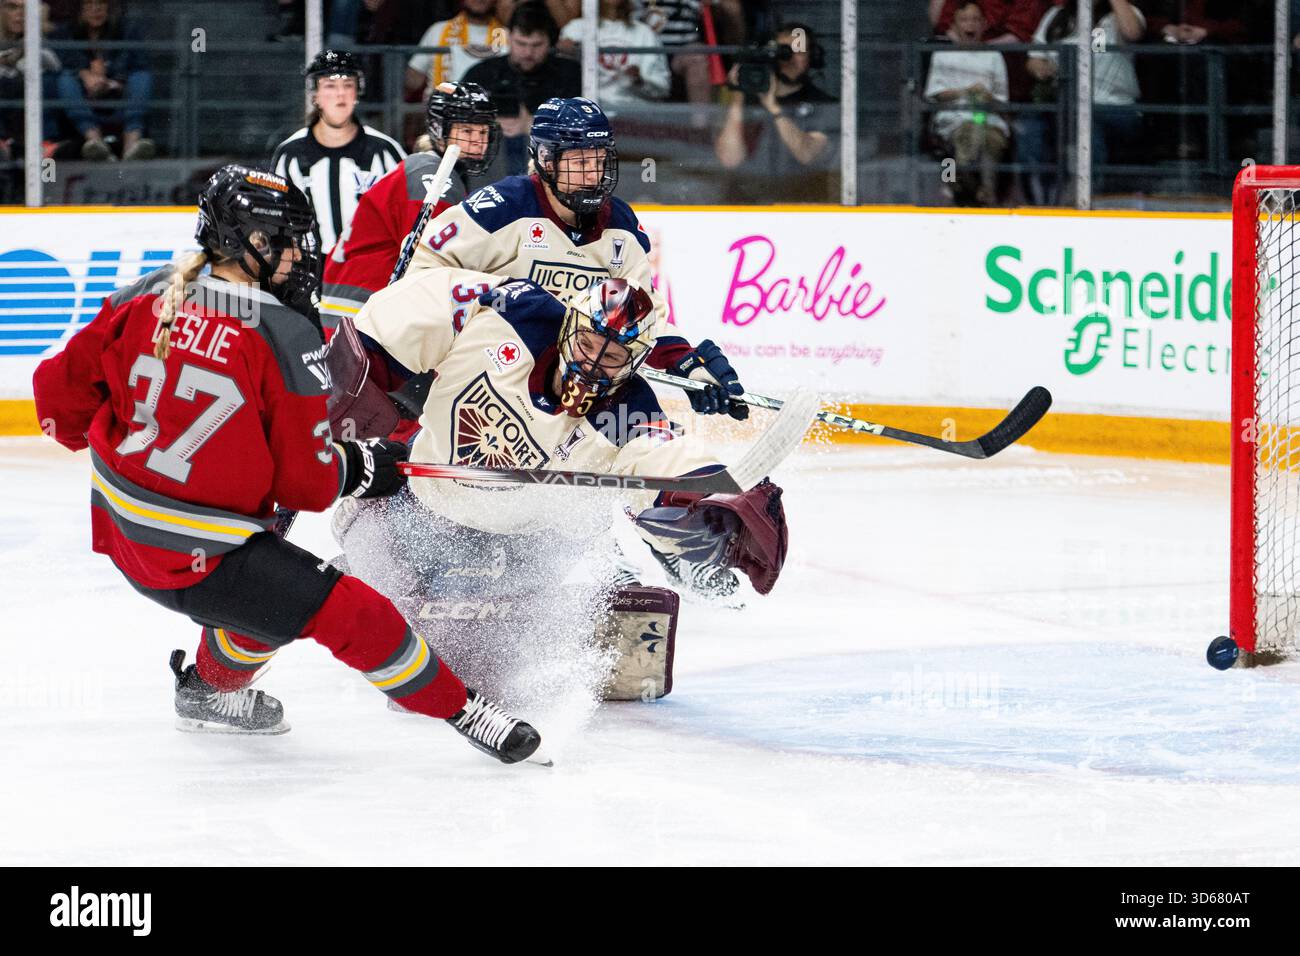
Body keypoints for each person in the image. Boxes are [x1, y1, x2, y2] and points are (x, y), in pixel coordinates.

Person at [31, 164, 543, 764]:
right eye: (288, 241)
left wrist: (118, 450)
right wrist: (363, 466)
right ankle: (466, 710)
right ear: (248, 241)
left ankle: (209, 694)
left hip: (119, 529)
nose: (301, 256)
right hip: (204, 560)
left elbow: (57, 400)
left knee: (275, 590)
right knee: (349, 609)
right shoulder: (284, 332)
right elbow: (307, 482)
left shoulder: (149, 289)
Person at [331, 270, 790, 706]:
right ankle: (360, 572)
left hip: (512, 546)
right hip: (417, 508)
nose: (591, 365)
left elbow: (661, 456)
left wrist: (710, 498)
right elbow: (432, 297)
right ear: (570, 323)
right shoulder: (513, 311)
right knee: (377, 619)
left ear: (633, 365)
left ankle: (513, 619)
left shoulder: (627, 410)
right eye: (587, 343)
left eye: (611, 358)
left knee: (468, 683)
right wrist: (366, 359)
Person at [401, 95, 753, 600]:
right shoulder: (504, 207)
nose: (591, 174)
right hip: (506, 376)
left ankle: (669, 543)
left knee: (635, 430)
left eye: (598, 160)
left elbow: (642, 314)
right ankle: (447, 539)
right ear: (545, 161)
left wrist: (689, 365)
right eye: (577, 162)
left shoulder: (621, 227)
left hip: (585, 375)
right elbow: (430, 274)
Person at [322, 81, 500, 335]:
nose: (476, 142)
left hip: (355, 303)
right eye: (466, 131)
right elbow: (431, 260)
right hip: (362, 309)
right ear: (440, 130)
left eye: (483, 133)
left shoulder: (434, 171)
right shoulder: (433, 177)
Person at [271, 49, 405, 254]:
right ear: (315, 95)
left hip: (370, 270)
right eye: (330, 86)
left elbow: (407, 212)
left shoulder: (385, 151)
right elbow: (277, 219)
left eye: (348, 85)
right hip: (310, 272)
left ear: (357, 92)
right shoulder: (290, 154)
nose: (340, 94)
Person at [1018, 0, 1145, 204]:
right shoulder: (1056, 16)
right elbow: (1034, 59)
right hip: (1062, 106)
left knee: (1086, 127)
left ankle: (1085, 200)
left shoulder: (1118, 16)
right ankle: (1038, 202)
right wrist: (1042, 69)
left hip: (1113, 107)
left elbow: (1132, 32)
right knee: (1029, 127)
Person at [713, 20, 837, 203]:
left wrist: (774, 107)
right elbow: (730, 159)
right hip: (742, 211)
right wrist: (739, 94)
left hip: (798, 211)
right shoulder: (743, 103)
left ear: (813, 57)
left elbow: (808, 155)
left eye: (799, 50)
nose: (790, 57)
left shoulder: (824, 105)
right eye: (783, 51)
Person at [462, 2, 580, 174]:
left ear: (550, 42)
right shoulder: (483, 74)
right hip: (490, 165)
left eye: (536, 45)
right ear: (509, 38)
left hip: (555, 162)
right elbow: (460, 121)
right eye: (521, 44)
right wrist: (493, 126)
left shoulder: (570, 74)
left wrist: (538, 127)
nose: (527, 53)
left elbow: (584, 121)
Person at [923, 2, 1011, 207]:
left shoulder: (994, 56)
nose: (970, 25)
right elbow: (935, 94)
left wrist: (987, 97)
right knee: (967, 135)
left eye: (975, 20)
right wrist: (965, 92)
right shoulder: (942, 55)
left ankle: (986, 190)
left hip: (987, 117)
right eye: (964, 20)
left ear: (983, 24)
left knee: (989, 137)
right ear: (954, 25)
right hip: (953, 119)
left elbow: (1002, 99)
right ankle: (957, 185)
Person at [51, 0, 153, 161]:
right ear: (80, 10)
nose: (95, 10)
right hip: (84, 95)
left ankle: (131, 145)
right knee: (65, 79)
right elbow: (61, 58)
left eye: (100, 4)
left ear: (109, 7)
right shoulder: (67, 32)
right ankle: (95, 143)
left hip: (119, 92)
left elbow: (138, 61)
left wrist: (115, 81)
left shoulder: (126, 30)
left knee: (142, 76)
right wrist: (85, 74)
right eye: (89, 5)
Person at [556, 0, 670, 115]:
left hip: (637, 114)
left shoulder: (644, 33)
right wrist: (568, 55)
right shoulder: (575, 29)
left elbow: (663, 89)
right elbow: (561, 83)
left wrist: (640, 81)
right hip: (588, 114)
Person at [406, 0, 505, 98]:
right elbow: (413, 79)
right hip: (439, 110)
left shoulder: (508, 36)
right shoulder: (437, 30)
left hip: (492, 110)